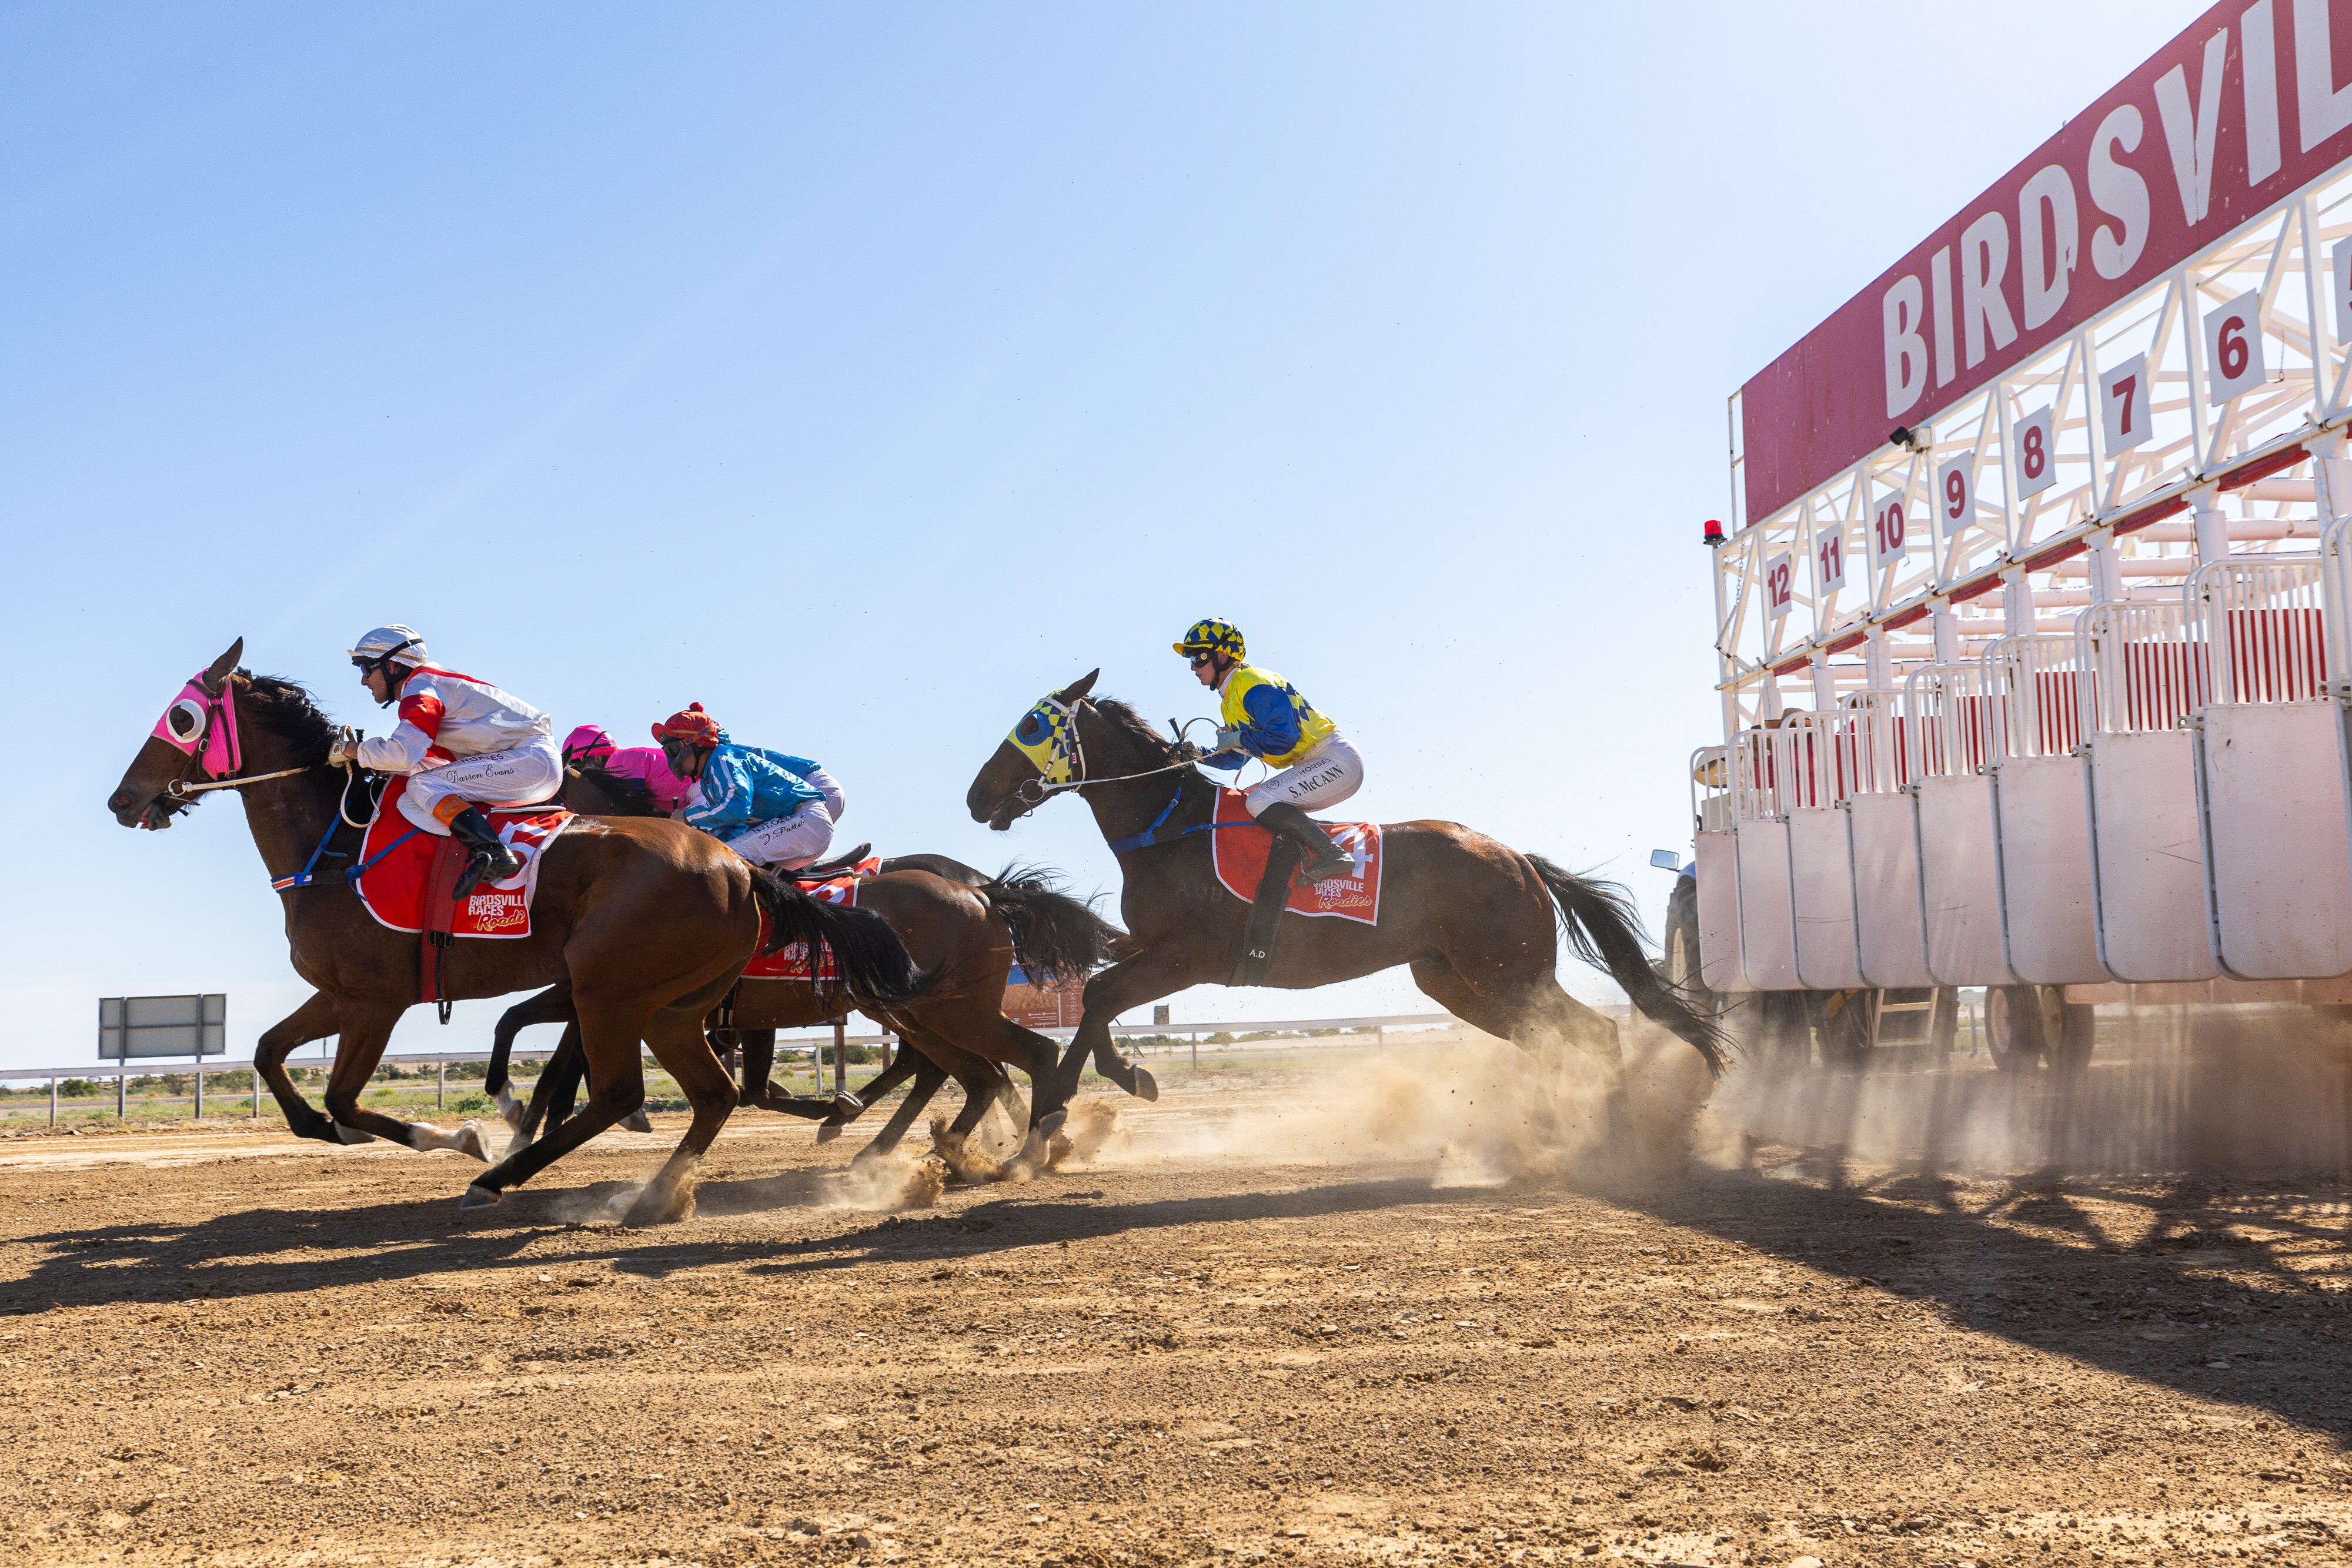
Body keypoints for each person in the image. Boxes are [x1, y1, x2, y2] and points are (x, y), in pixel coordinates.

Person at [329, 626, 561, 898]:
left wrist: (351, 750)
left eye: (366, 669)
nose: (364, 681)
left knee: (421, 785)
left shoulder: (421, 689)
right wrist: (372, 761)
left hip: (529, 761)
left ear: (391, 666)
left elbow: (402, 755)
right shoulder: (432, 685)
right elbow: (421, 760)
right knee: (421, 778)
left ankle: (491, 851)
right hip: (530, 763)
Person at [1174, 617, 1362, 883]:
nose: (1193, 668)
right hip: (1318, 764)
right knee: (1250, 801)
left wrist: (1239, 736)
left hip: (1334, 760)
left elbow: (1283, 738)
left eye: (1198, 657)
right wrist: (1200, 755)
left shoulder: (1250, 681)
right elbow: (1236, 760)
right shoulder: (1229, 700)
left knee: (1259, 800)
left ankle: (1332, 854)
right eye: (1190, 660)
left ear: (1222, 656)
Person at [652, 702, 846, 870]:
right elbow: (732, 829)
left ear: (699, 744)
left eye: (674, 749)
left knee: (725, 859)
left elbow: (736, 809)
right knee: (715, 856)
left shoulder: (725, 760)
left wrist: (686, 818)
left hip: (806, 819)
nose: (670, 759)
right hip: (799, 822)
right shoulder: (710, 783)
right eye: (666, 751)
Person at [561, 724, 692, 814]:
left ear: (596, 758)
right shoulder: (623, 758)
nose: (578, 773)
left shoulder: (618, 760)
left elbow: (630, 809)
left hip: (699, 793)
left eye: (577, 765)